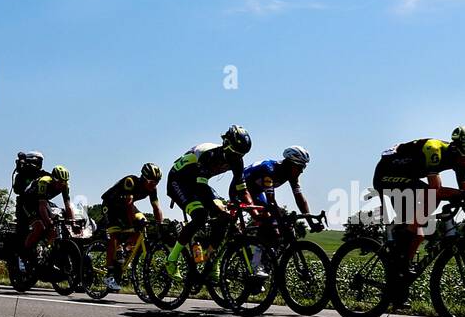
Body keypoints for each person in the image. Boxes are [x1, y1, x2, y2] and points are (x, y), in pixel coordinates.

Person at [371, 126, 465, 274]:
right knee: (432, 196)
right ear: (455, 149)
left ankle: (400, 270)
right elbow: (437, 190)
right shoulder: (433, 150)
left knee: (418, 235)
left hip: (407, 179)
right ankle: (400, 255)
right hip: (386, 175)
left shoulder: (462, 162)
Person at [163, 125, 252, 279]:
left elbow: (242, 189)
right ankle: (171, 259)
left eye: (241, 154)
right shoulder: (209, 155)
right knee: (200, 216)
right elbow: (201, 188)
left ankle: (211, 261)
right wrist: (217, 208)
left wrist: (252, 208)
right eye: (235, 153)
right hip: (178, 181)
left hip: (198, 182)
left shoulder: (237, 161)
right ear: (226, 145)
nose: (237, 157)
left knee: (225, 218)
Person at [243, 146, 313, 278]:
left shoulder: (291, 175)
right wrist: (280, 218)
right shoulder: (268, 169)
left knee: (276, 228)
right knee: (268, 223)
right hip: (241, 190)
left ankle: (265, 259)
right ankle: (255, 264)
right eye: (300, 167)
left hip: (256, 192)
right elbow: (271, 201)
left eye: (304, 167)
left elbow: (299, 198)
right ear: (289, 163)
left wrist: (310, 220)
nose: (302, 171)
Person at [98, 163, 163, 293]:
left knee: (142, 222)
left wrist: (160, 225)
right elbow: (128, 205)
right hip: (111, 206)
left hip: (126, 206)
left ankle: (126, 249)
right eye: (151, 181)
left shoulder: (152, 189)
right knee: (115, 235)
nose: (153, 185)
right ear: (144, 178)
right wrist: (132, 224)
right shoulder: (131, 182)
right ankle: (110, 273)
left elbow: (156, 208)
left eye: (157, 182)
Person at [20, 165, 75, 265]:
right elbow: (42, 206)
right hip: (29, 202)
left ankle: (46, 251)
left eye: (64, 182)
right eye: (59, 182)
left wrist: (73, 222)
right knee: (40, 227)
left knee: (57, 225)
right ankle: (23, 256)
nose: (62, 184)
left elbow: (68, 206)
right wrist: (48, 223)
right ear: (54, 179)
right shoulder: (44, 182)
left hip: (44, 201)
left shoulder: (65, 185)